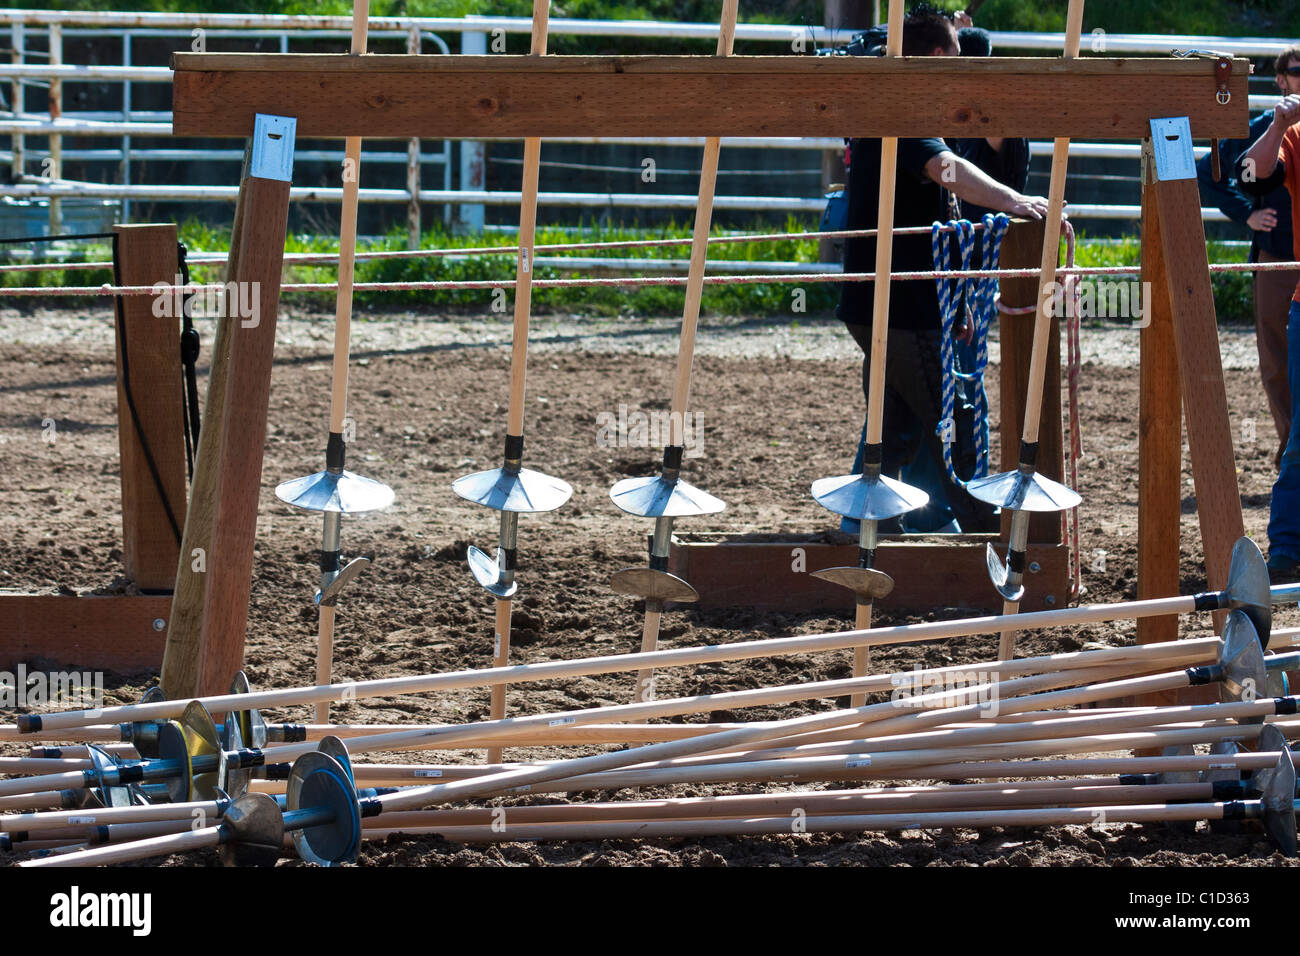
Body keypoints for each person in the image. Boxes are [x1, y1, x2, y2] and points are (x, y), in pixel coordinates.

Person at [838, 3, 1052, 535]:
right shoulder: (902, 108)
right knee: (952, 421)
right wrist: (1012, 200)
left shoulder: (905, 106)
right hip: (899, 305)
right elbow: (947, 169)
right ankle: (988, 533)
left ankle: (865, 531)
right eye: (957, 52)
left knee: (898, 427)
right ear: (938, 55)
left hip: (895, 301)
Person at [1197, 62, 1297, 470]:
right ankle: (1292, 448)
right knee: (1276, 358)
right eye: (1296, 70)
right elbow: (1210, 171)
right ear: (1280, 79)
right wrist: (1246, 215)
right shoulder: (1264, 126)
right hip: (1277, 256)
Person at [1237, 44, 1300, 584]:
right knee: (1296, 423)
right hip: (1290, 279)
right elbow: (1250, 174)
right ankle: (1286, 548)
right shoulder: (1288, 130)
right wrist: (1280, 124)